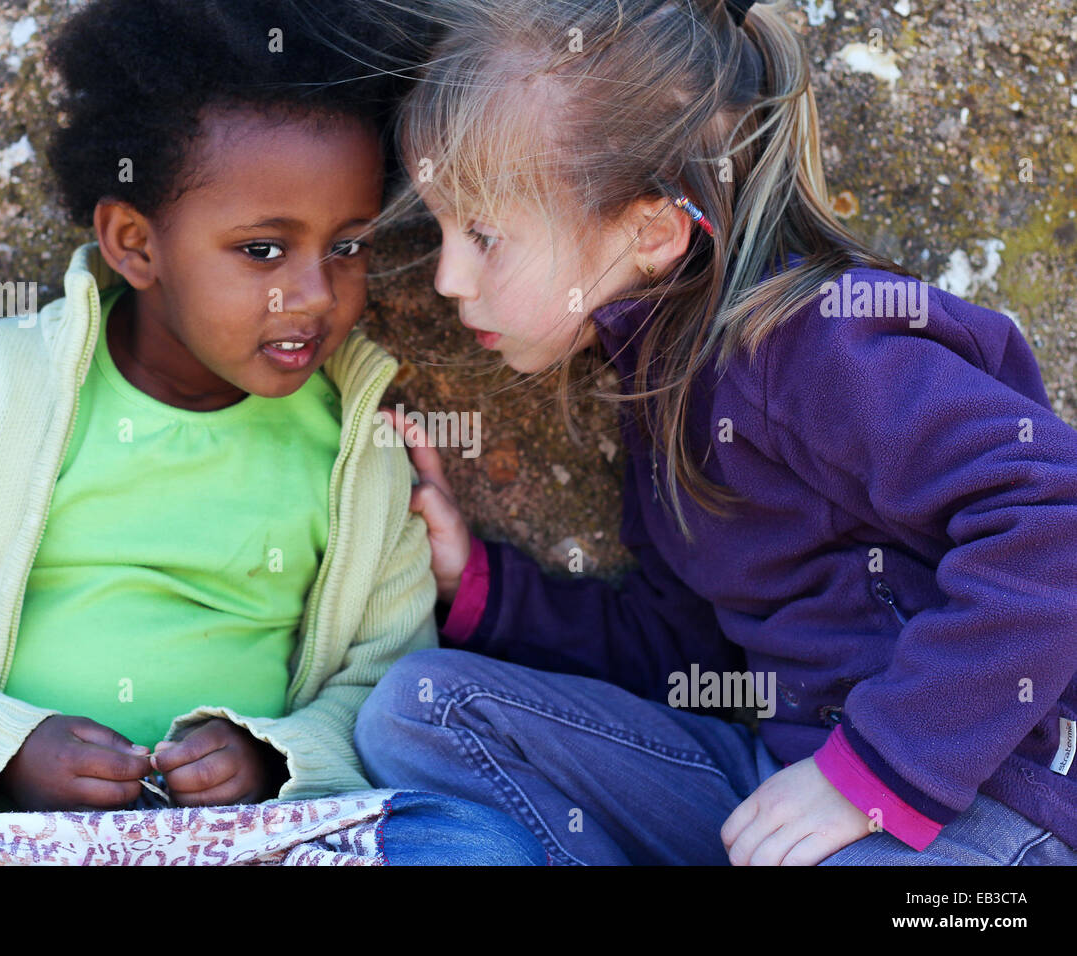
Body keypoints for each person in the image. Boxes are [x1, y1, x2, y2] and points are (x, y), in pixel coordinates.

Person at [0, 0, 545, 867]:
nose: (318, 292)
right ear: (135, 244)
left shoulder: (359, 449)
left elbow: (379, 683)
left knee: (479, 848)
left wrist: (273, 757)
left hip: (254, 844)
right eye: (262, 251)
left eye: (349, 245)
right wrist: (2, 751)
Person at [352, 0, 1077, 865]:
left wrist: (874, 772)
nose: (446, 277)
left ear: (649, 230)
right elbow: (686, 653)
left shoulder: (819, 343)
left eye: (481, 236)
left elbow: (1053, 518)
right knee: (420, 710)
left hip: (973, 805)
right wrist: (479, 585)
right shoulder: (661, 384)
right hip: (779, 785)